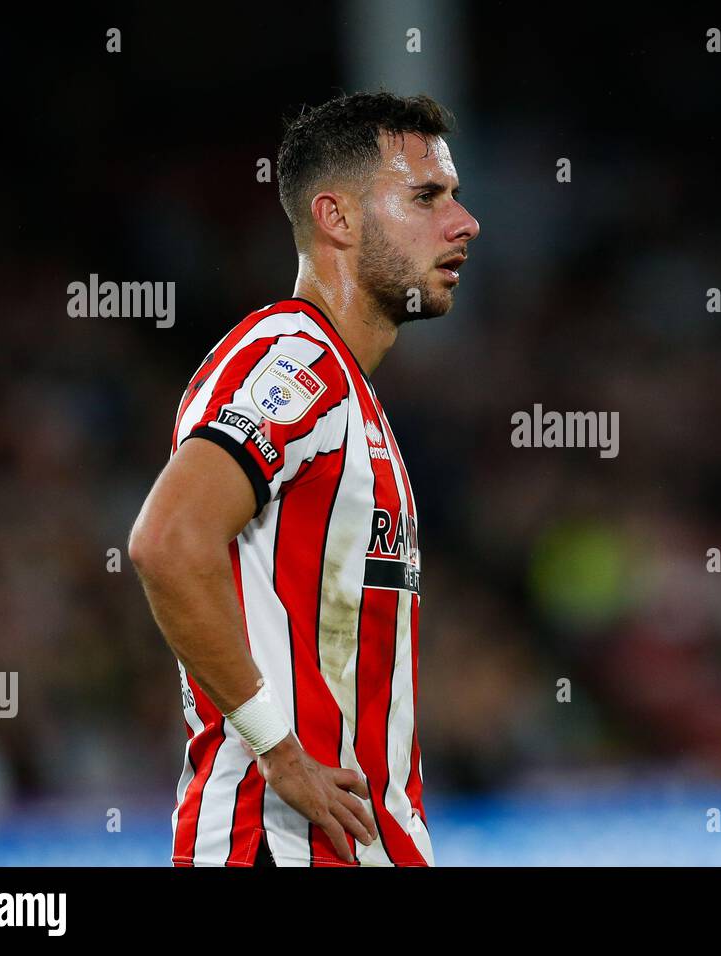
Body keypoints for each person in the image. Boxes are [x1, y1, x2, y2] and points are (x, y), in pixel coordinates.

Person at [128, 90, 480, 866]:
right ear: (338, 218)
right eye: (426, 196)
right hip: (279, 844)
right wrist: (277, 749)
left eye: (454, 196)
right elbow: (166, 540)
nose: (464, 222)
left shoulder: (354, 395)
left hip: (359, 842)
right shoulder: (297, 361)